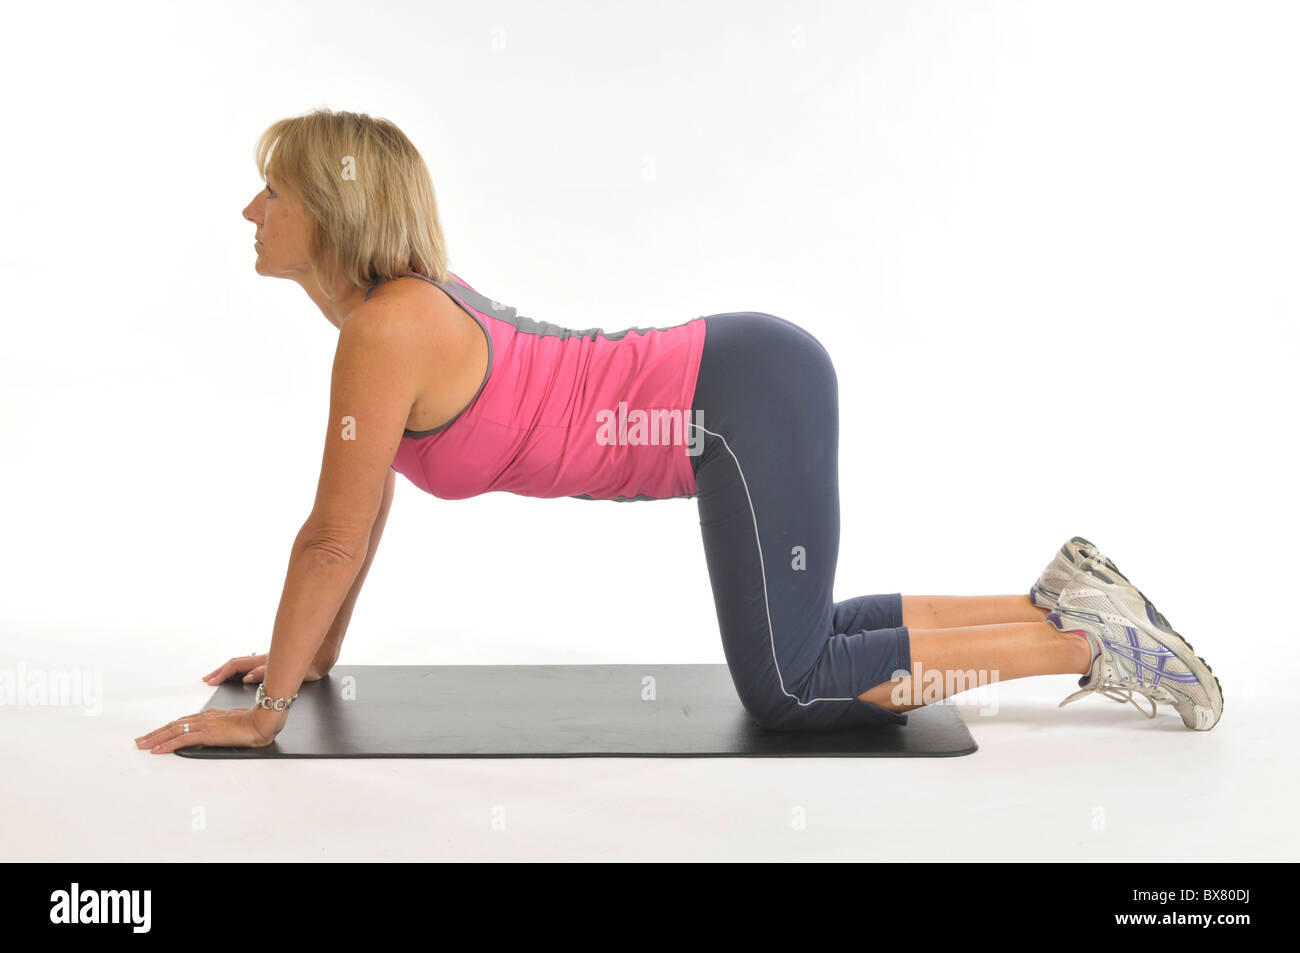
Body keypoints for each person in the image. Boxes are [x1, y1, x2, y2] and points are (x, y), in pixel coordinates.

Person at [134, 110, 1223, 754]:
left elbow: (328, 533)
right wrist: (303, 663)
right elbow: (357, 518)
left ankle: (1089, 642)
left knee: (790, 686)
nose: (250, 212)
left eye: (269, 191)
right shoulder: (400, 312)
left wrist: (267, 709)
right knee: (811, 633)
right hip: (744, 382)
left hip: (739, 392)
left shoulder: (387, 326)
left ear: (329, 209)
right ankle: (1063, 596)